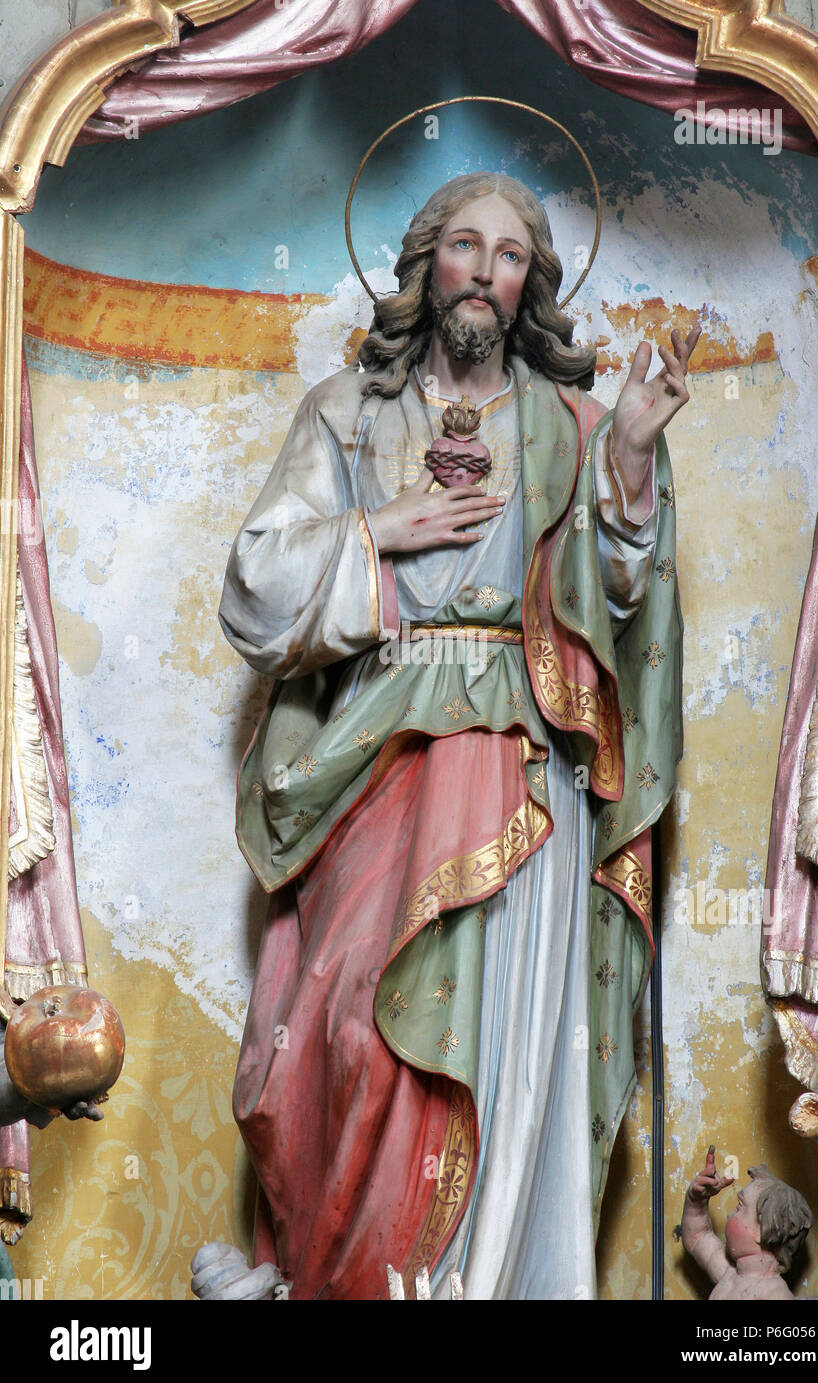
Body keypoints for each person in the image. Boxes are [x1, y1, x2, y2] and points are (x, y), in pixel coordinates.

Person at [218, 171, 696, 1299]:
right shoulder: (347, 413)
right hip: (374, 750)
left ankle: (483, 1281)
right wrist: (378, 530)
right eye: (464, 247)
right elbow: (252, 593)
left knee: (502, 1037)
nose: (484, 271)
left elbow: (621, 603)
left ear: (529, 285)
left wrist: (627, 458)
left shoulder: (570, 425)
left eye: (511, 254)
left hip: (521, 766)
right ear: (426, 263)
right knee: (346, 1020)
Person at [681, 1147, 812, 1300]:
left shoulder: (774, 1295)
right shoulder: (729, 1274)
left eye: (739, 1207)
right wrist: (695, 1201)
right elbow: (698, 1237)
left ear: (763, 1230)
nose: (730, 1214)